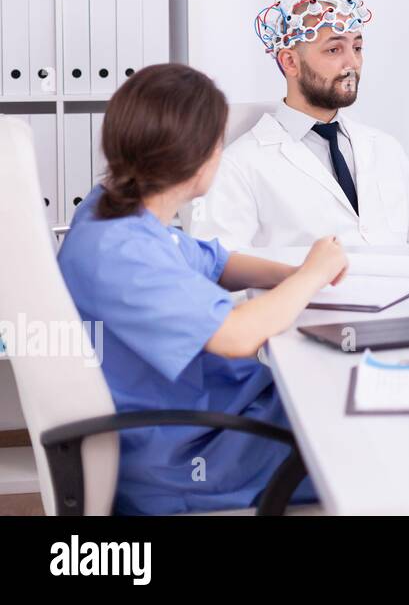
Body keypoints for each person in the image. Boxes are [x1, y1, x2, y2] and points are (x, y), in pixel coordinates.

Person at [57, 63, 347, 514]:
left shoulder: (114, 211)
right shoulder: (123, 251)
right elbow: (235, 336)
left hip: (217, 413)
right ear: (198, 156)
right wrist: (311, 275)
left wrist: (292, 274)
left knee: (341, 392)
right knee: (368, 442)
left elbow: (215, 261)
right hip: (192, 453)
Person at [190, 0, 409, 250]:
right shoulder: (239, 166)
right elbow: (220, 262)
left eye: (357, 48)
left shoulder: (384, 148)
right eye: (334, 50)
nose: (352, 63)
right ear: (290, 61)